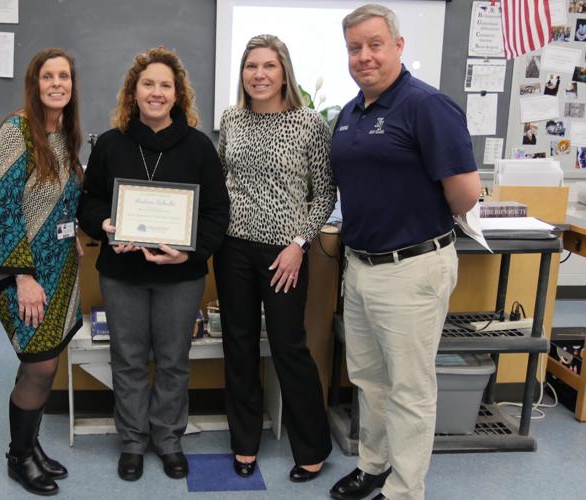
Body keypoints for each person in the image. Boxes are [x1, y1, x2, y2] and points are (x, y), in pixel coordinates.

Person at [329, 5, 480, 500]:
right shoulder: (350, 114)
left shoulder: (426, 106)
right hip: (360, 267)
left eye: (375, 44)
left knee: (410, 390)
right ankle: (374, 467)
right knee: (369, 380)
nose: (364, 56)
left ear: (397, 45)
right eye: (355, 48)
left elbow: (466, 193)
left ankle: (404, 489)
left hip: (412, 268)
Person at [78, 47, 229, 482]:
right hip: (123, 273)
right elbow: (89, 201)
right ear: (134, 91)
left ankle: (167, 439)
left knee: (173, 360)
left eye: (166, 85)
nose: (157, 92)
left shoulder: (200, 147)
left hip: (180, 275)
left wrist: (190, 251)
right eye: (149, 84)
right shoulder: (110, 144)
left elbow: (217, 213)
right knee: (127, 359)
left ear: (178, 94)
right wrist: (106, 223)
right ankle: (131, 441)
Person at [214, 34, 335, 482]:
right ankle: (244, 443)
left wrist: (299, 243)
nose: (259, 75)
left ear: (284, 71)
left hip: (285, 253)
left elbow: (324, 193)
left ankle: (312, 446)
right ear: (242, 74)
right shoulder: (231, 119)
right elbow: (221, 176)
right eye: (251, 67)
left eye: (268, 66)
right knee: (239, 345)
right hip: (232, 249)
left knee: (288, 347)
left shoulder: (309, 123)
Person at [0, 48, 83, 496]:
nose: (57, 83)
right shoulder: (17, 130)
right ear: (34, 83)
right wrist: (22, 276)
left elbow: (59, 195)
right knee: (38, 366)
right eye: (48, 76)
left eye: (64, 76)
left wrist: (73, 228)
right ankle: (19, 457)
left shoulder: (65, 133)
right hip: (24, 272)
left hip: (61, 267)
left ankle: (31, 445)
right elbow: (1, 207)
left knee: (47, 360)